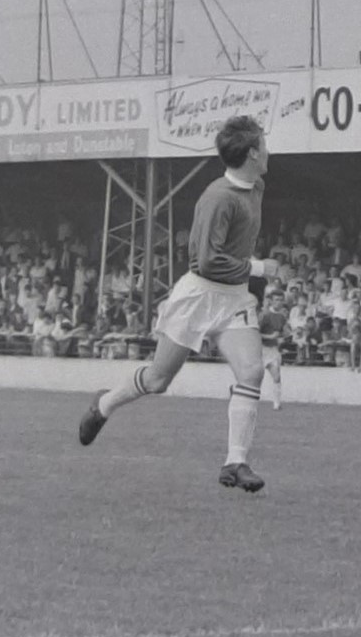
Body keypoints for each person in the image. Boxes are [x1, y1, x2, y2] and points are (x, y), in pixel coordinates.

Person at [76, 114, 275, 493]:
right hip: (199, 294)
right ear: (252, 153)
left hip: (233, 297)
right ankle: (103, 406)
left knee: (251, 372)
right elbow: (204, 260)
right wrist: (260, 267)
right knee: (158, 379)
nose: (269, 151)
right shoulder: (218, 198)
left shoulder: (256, 186)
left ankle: (236, 462)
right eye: (264, 145)